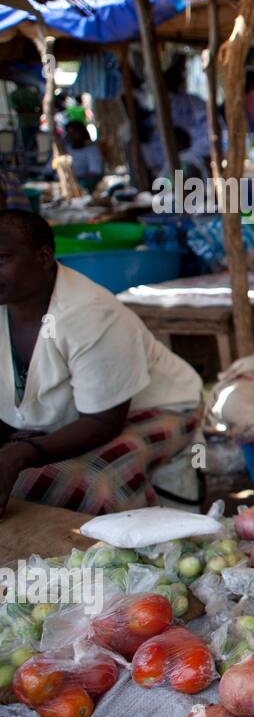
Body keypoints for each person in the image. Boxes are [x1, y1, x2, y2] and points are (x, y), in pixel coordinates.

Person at [0, 207, 203, 517]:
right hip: (74, 415)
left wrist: (22, 453)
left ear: (42, 258)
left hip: (159, 405)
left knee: (92, 482)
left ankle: (146, 551)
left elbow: (103, 423)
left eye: (2, 260)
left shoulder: (90, 314)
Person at [63, 120, 103, 191]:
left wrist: (75, 180)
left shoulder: (92, 150)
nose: (72, 136)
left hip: (84, 186)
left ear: (82, 133)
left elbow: (95, 172)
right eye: (70, 133)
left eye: (75, 133)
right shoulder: (66, 149)